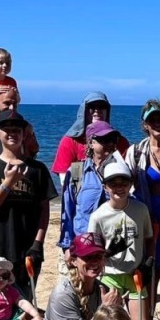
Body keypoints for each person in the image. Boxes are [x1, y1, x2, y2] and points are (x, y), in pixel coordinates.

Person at [0, 110, 56, 292]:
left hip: (28, 247)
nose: (12, 134)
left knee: (26, 297)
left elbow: (44, 210)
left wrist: (38, 244)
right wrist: (7, 184)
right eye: (6, 130)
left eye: (16, 130)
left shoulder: (37, 169)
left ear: (24, 134)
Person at [89, 160, 155, 320]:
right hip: (110, 275)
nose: (119, 187)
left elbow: (150, 239)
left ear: (131, 184)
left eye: (123, 182)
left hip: (135, 274)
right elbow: (92, 252)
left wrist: (148, 262)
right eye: (113, 183)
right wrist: (108, 252)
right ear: (105, 187)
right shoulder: (98, 216)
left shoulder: (140, 209)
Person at [53, 92, 123, 256]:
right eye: (92, 107)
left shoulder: (120, 141)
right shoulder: (69, 141)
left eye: (102, 107)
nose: (97, 111)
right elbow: (67, 191)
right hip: (83, 224)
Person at [124, 100, 160, 262]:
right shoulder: (136, 152)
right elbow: (125, 186)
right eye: (152, 120)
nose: (158, 124)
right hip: (149, 216)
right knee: (150, 266)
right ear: (145, 125)